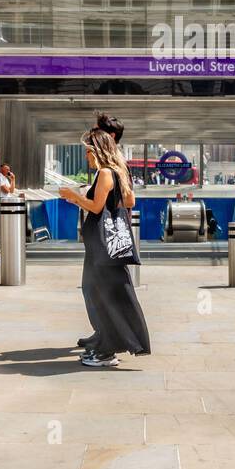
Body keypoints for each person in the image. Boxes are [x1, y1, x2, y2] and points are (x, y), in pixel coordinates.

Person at [59, 122, 149, 368]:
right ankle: (107, 343)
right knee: (104, 293)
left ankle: (107, 350)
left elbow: (96, 207)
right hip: (108, 246)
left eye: (88, 151)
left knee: (100, 294)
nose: (86, 157)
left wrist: (74, 196)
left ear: (97, 150)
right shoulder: (117, 171)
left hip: (102, 246)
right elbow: (129, 200)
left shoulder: (106, 173)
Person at [74, 113, 135, 355]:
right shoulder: (115, 163)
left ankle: (106, 337)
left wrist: (87, 198)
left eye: (96, 132)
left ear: (108, 136)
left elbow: (126, 200)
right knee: (97, 286)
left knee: (96, 287)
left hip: (104, 236)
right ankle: (103, 334)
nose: (92, 136)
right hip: (109, 234)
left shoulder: (111, 165)